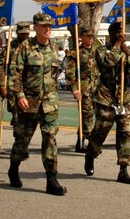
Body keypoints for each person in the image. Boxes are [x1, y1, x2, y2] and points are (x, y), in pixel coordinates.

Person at [7, 13, 66, 195]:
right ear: (35, 27)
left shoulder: (54, 48)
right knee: (22, 141)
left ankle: (51, 179)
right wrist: (19, 95)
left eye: (50, 26)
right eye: (44, 26)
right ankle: (14, 167)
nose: (48, 29)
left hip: (49, 103)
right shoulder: (25, 48)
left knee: (50, 138)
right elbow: (15, 73)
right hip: (29, 102)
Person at [86, 21, 130, 184]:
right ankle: (91, 153)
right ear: (111, 34)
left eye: (122, 34)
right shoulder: (102, 50)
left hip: (123, 98)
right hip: (106, 98)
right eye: (118, 34)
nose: (121, 36)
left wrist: (127, 52)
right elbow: (108, 61)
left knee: (125, 133)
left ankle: (123, 170)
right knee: (100, 132)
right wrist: (117, 45)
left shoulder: (126, 51)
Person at [65, 25, 97, 152]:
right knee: (86, 115)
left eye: (92, 36)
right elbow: (70, 72)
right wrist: (74, 89)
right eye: (88, 36)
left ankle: (80, 140)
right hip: (83, 89)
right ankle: (89, 142)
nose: (90, 38)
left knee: (91, 116)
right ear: (81, 37)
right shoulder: (75, 53)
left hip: (96, 88)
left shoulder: (96, 52)